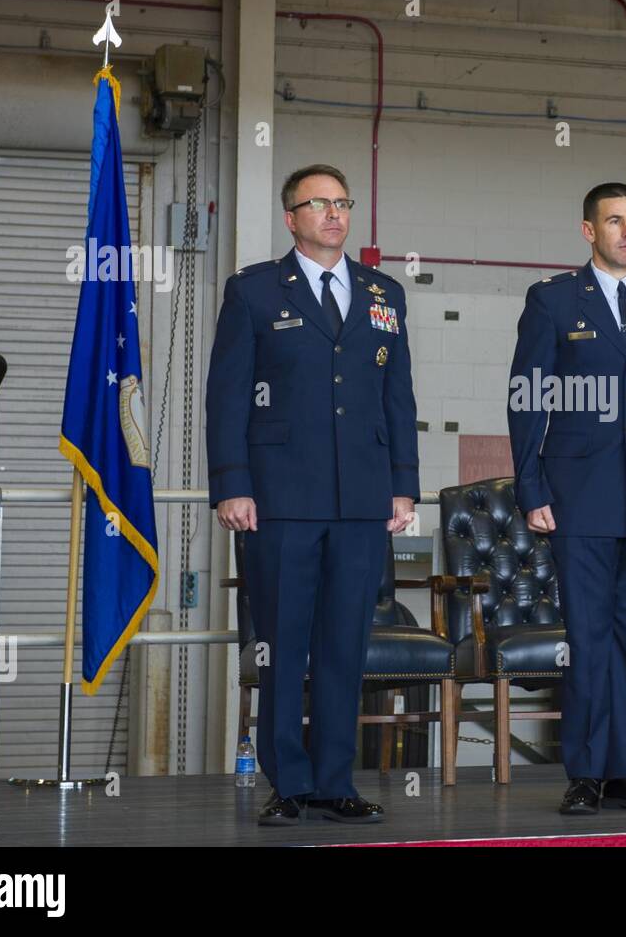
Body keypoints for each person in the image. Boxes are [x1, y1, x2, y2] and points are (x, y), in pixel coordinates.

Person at [206, 164, 418, 825]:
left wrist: (404, 486)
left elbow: (398, 396)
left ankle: (334, 781)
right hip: (279, 499)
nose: (332, 213)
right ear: (291, 217)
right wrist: (232, 483)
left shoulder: (384, 293)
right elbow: (227, 397)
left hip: (361, 499)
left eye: (341, 202)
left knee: (344, 645)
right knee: (282, 645)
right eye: (317, 203)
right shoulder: (255, 292)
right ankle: (288, 783)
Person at [508, 182, 626, 815]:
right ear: (588, 231)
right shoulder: (555, 301)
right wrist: (531, 487)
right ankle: (585, 772)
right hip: (577, 495)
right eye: (614, 221)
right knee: (588, 636)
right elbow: (530, 397)